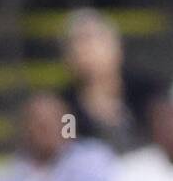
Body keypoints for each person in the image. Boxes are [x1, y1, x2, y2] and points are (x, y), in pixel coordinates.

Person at [61, 8, 158, 152]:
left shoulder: (147, 91)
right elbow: (66, 151)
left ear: (117, 47)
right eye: (77, 43)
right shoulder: (65, 108)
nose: (86, 50)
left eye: (93, 40)